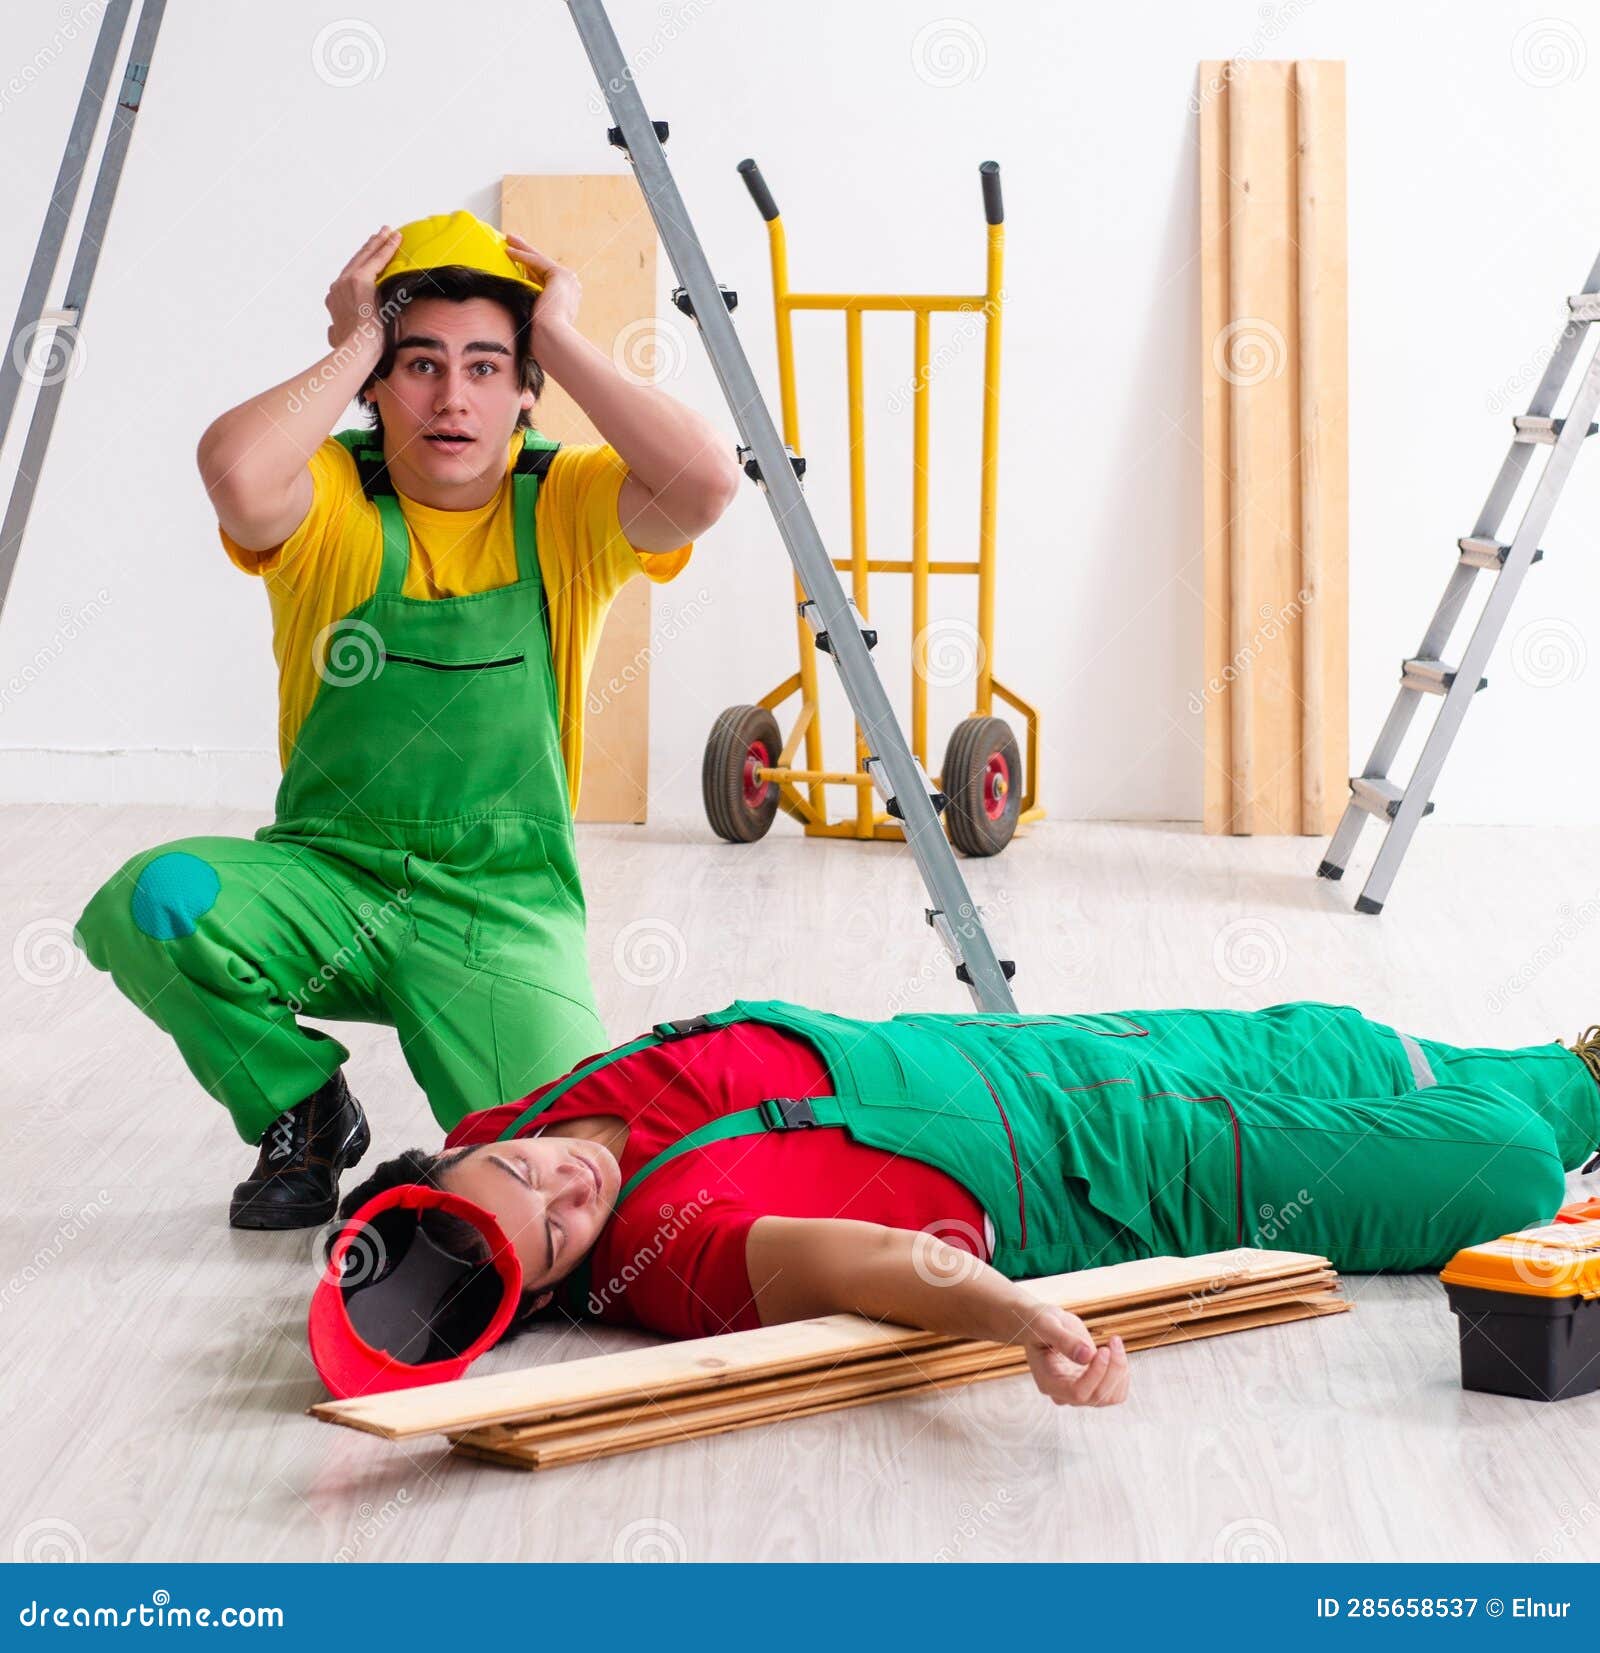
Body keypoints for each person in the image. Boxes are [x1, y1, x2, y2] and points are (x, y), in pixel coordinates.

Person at [74, 211, 740, 1230]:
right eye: (419, 364)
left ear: (525, 389)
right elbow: (238, 475)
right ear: (377, 382)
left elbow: (706, 483)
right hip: (329, 882)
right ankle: (302, 1106)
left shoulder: (564, 501)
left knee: (572, 1165)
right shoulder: (333, 495)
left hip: (498, 911)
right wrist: (355, 336)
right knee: (153, 898)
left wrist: (559, 335)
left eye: (486, 367)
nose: (452, 399)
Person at [313, 997, 1600, 1408]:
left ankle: (1580, 1070)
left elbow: (408, 1247)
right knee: (1500, 1164)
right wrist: (1020, 1320)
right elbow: (868, 1266)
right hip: (1111, 1167)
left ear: (467, 1150)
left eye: (523, 1173)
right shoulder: (666, 1263)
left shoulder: (517, 1119)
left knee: (1359, 1046)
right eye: (556, 1240)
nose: (566, 1187)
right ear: (558, 1288)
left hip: (1048, 1048)